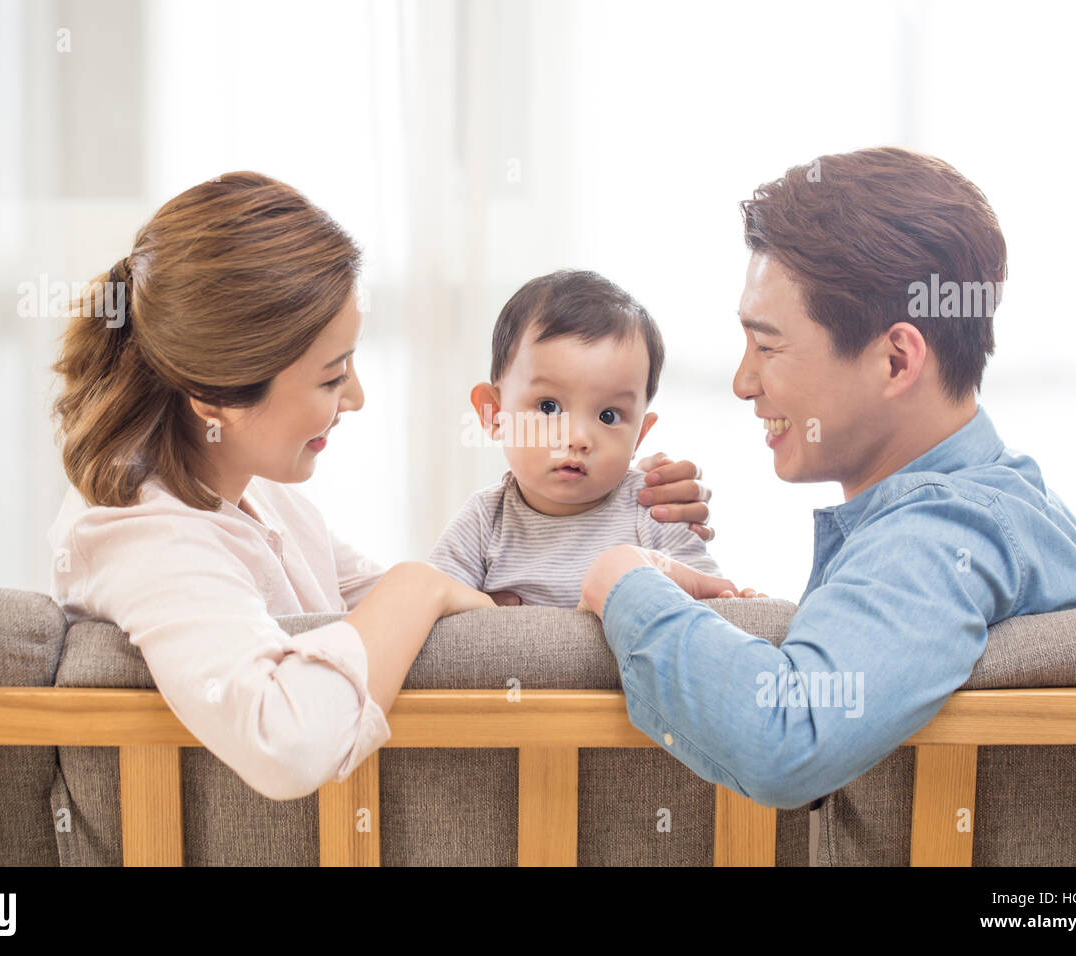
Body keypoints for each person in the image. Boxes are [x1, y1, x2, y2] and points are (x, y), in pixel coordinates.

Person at [47, 171, 717, 801]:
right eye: (332, 376)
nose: (358, 397)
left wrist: (611, 518)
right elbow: (289, 741)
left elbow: (435, 632)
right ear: (214, 396)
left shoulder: (265, 499)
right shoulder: (136, 530)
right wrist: (417, 584)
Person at [579, 147, 1076, 809]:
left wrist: (622, 580)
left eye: (768, 346)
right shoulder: (1006, 507)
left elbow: (783, 737)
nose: (744, 383)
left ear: (895, 361)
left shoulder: (941, 533)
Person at [428, 269, 750, 608]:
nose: (579, 438)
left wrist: (736, 598)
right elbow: (432, 618)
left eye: (608, 416)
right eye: (549, 407)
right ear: (493, 413)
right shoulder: (483, 522)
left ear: (639, 435)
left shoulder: (652, 513)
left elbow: (717, 607)